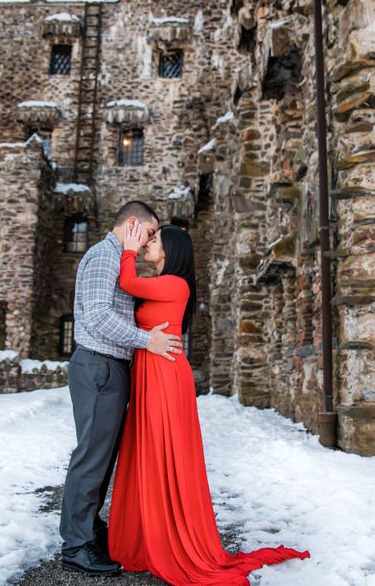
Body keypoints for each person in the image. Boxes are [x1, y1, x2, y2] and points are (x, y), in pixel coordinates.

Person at [109, 221, 310, 585]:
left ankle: (170, 538)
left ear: (172, 250)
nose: (148, 243)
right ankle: (147, 539)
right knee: (148, 452)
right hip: (150, 372)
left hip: (165, 376)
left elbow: (127, 282)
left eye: (155, 240)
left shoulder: (176, 283)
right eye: (148, 239)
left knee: (164, 452)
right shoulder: (161, 283)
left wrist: (128, 249)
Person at [60, 201, 184, 576]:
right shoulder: (104, 256)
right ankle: (76, 546)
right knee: (91, 456)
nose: (148, 243)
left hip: (110, 367)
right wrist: (147, 341)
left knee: (103, 457)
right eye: (149, 233)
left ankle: (89, 529)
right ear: (132, 224)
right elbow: (99, 315)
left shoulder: (119, 258)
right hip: (98, 365)